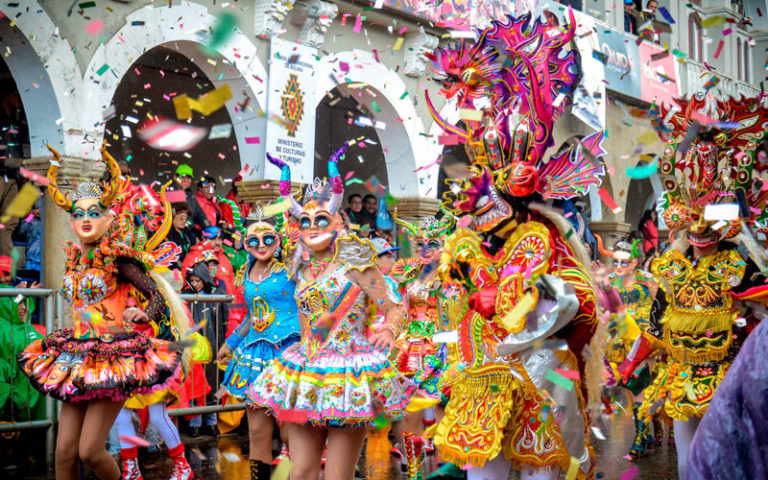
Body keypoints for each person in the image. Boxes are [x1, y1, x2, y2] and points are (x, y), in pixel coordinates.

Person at [426, 9, 603, 479]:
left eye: (490, 196)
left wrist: (520, 304)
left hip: (537, 380)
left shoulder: (542, 241)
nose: (476, 205)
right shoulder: (463, 246)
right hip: (482, 382)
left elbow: (579, 307)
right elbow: (447, 308)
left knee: (542, 470)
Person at [619, 96, 768, 477]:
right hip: (680, 376)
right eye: (692, 218)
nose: (701, 229)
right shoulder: (671, 267)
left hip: (726, 376)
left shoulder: (739, 264)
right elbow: (655, 325)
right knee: (688, 464)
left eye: (709, 218)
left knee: (723, 460)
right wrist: (629, 363)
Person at [18, 145, 183, 480]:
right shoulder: (75, 260)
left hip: (113, 357)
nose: (85, 219)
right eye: (78, 214)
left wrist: (144, 315)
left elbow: (157, 297)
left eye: (93, 212)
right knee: (64, 453)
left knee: (90, 451)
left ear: (110, 218)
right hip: (77, 354)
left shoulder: (118, 259)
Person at [248, 147, 411, 480]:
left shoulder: (356, 262)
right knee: (302, 471)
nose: (312, 226)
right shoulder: (303, 269)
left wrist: (388, 330)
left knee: (338, 474)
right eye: (305, 221)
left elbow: (394, 306)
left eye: (321, 219)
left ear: (339, 222)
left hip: (349, 373)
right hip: (307, 370)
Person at [217, 210, 301, 480]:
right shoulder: (245, 273)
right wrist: (230, 344)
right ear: (245, 244)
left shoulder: (291, 268)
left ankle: (287, 475)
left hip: (288, 352)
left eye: (268, 239)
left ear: (278, 242)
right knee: (257, 430)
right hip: (255, 355)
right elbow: (253, 316)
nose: (261, 245)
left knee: (289, 431)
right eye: (254, 241)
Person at [389, 215, 455, 480]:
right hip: (412, 345)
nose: (426, 249)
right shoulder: (407, 274)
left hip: (446, 345)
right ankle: (413, 469)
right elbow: (401, 310)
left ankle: (445, 465)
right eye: (420, 244)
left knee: (445, 406)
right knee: (410, 406)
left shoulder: (454, 274)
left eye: (433, 243)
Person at [182, 257, 227, 437]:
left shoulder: (214, 297)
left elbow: (223, 323)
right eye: (192, 281)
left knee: (213, 385)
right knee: (196, 386)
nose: (195, 284)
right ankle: (195, 423)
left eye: (198, 280)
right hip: (195, 350)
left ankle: (211, 423)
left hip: (213, 346)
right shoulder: (186, 298)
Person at [173, 164, 210, 235]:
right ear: (175, 177)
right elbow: (180, 217)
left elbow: (200, 214)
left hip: (188, 231)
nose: (185, 180)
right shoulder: (171, 193)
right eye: (182, 177)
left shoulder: (190, 195)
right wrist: (194, 231)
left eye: (189, 177)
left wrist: (208, 228)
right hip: (176, 233)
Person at [166, 203, 197, 270]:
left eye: (186, 219)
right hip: (175, 269)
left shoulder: (188, 234)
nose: (184, 221)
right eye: (181, 218)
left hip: (190, 266)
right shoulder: (167, 235)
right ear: (173, 217)